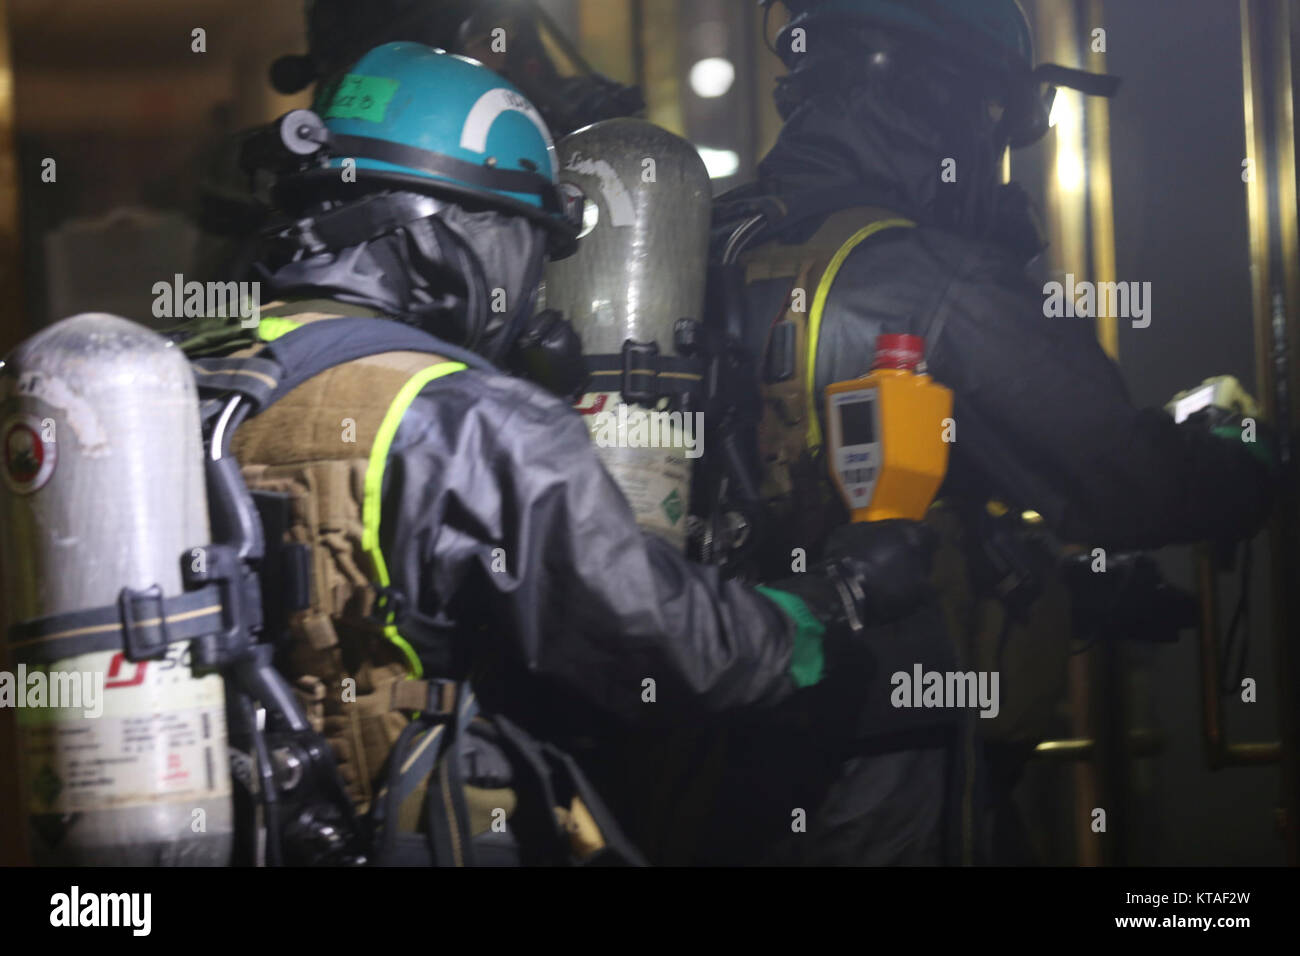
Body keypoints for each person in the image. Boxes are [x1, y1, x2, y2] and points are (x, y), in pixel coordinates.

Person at [178, 41, 939, 866]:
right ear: (460, 223)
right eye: (533, 241)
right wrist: (833, 602)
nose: (537, 285)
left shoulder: (193, 376)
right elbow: (660, 641)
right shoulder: (466, 413)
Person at [688, 0, 1277, 864]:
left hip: (703, 753)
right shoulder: (935, 275)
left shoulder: (707, 240)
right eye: (995, 115)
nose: (997, 153)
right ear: (941, 100)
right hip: (876, 765)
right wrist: (1252, 452)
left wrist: (1063, 595)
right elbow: (1126, 481)